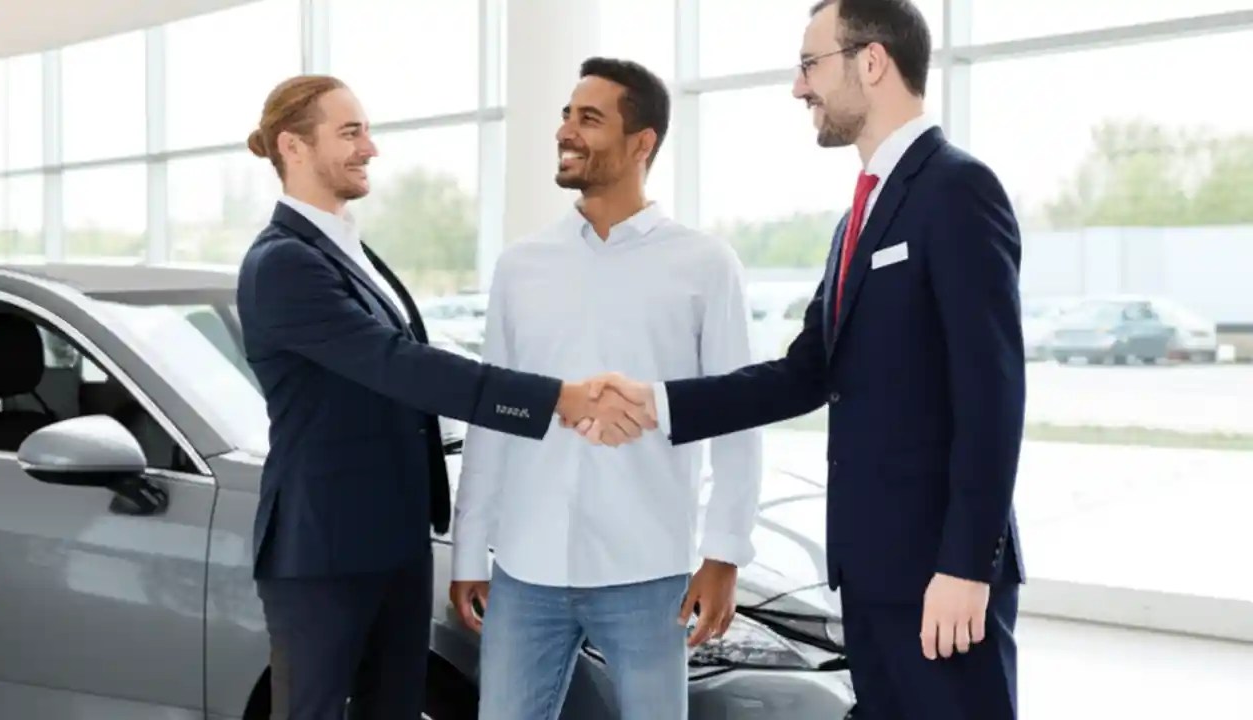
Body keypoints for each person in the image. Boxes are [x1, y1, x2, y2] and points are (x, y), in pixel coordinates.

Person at [578, 2, 1026, 718]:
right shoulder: (859, 216)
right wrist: (656, 403)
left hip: (939, 576)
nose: (799, 88)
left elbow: (993, 393)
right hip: (872, 572)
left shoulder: (956, 190)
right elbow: (806, 372)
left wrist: (967, 566)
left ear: (871, 62)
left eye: (810, 64)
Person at [235, 74, 655, 720]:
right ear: (293, 147)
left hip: (393, 541)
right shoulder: (283, 263)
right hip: (323, 551)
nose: (369, 149)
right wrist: (555, 399)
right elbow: (401, 367)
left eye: (367, 132)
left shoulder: (347, 247)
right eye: (350, 133)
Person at [448, 57, 762, 720]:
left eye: (589, 118)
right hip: (526, 571)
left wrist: (725, 554)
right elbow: (493, 413)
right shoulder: (521, 265)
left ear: (641, 142)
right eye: (566, 114)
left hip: (648, 572)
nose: (566, 130)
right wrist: (469, 548)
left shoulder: (705, 265)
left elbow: (738, 418)